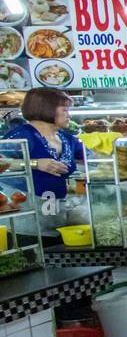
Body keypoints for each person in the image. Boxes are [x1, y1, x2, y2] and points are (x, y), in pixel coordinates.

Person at [3, 87, 84, 231]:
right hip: (24, 211)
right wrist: (35, 163)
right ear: (47, 109)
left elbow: (92, 158)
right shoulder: (23, 135)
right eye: (64, 109)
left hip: (55, 209)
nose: (68, 114)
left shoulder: (67, 138)